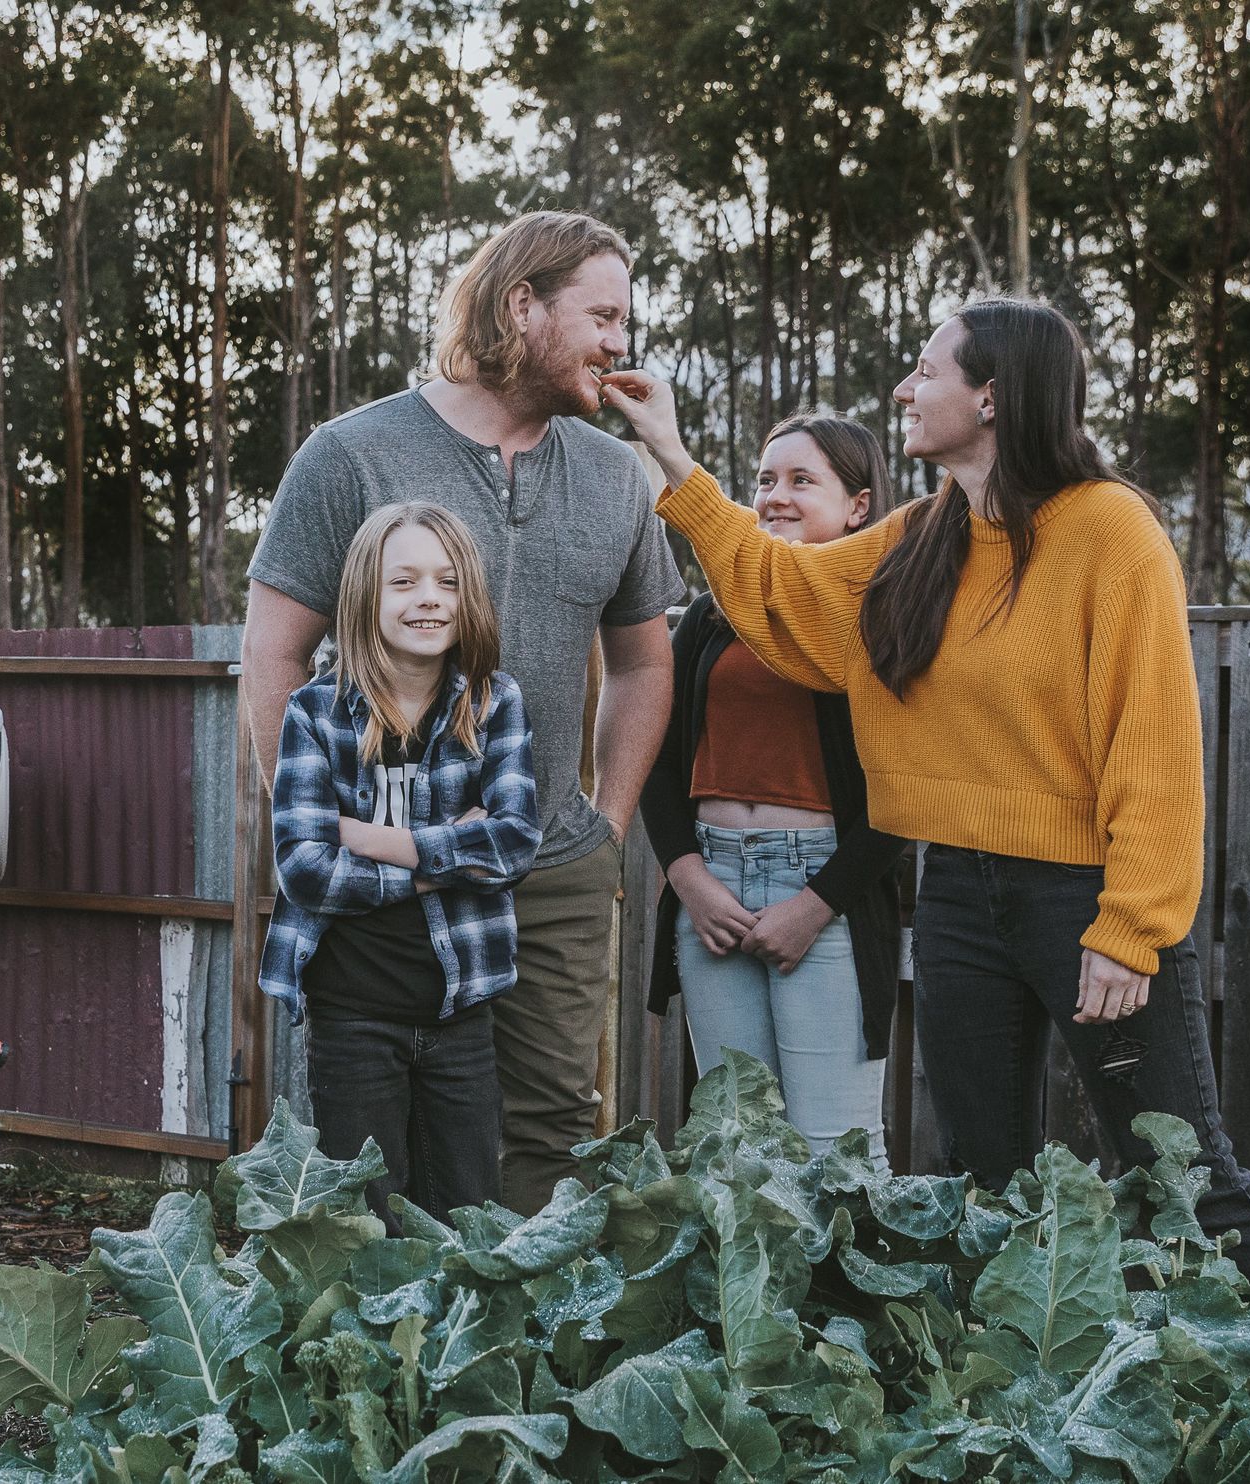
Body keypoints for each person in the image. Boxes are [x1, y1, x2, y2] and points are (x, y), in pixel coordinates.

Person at [601, 297, 1250, 1276]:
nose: (903, 389)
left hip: (1087, 897)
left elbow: (1154, 745)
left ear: (990, 395)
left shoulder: (1110, 530)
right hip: (959, 895)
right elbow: (785, 595)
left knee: (1179, 1178)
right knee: (982, 1178)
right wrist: (673, 457)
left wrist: (1131, 927)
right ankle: (1006, 1405)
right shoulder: (923, 535)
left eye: (925, 371)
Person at [243, 211, 679, 1215]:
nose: (620, 343)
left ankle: (512, 1351)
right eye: (601, 315)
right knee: (371, 1137)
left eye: (626, 320)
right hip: (388, 863)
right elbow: (270, 651)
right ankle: (379, 1355)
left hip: (549, 861)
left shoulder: (615, 477)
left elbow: (644, 662)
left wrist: (604, 825)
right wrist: (325, 825)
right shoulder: (352, 454)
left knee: (550, 1121)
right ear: (520, 304)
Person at [639, 413, 908, 1164]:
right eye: (764, 480)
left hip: (826, 899)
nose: (774, 496)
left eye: (801, 480)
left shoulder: (882, 623)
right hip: (712, 894)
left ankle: (850, 1288)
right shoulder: (709, 618)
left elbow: (905, 793)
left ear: (858, 506)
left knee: (836, 1155)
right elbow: (657, 763)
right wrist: (688, 879)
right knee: (735, 1157)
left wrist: (814, 905)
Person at [265, 502, 541, 1228]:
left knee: (469, 1215)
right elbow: (304, 868)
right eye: (405, 582)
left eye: (447, 582)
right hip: (352, 1015)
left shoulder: (493, 702)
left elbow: (514, 842)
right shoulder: (315, 712)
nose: (428, 598)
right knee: (366, 1222)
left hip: (461, 1010)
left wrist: (387, 843)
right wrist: (446, 855)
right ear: (365, 595)